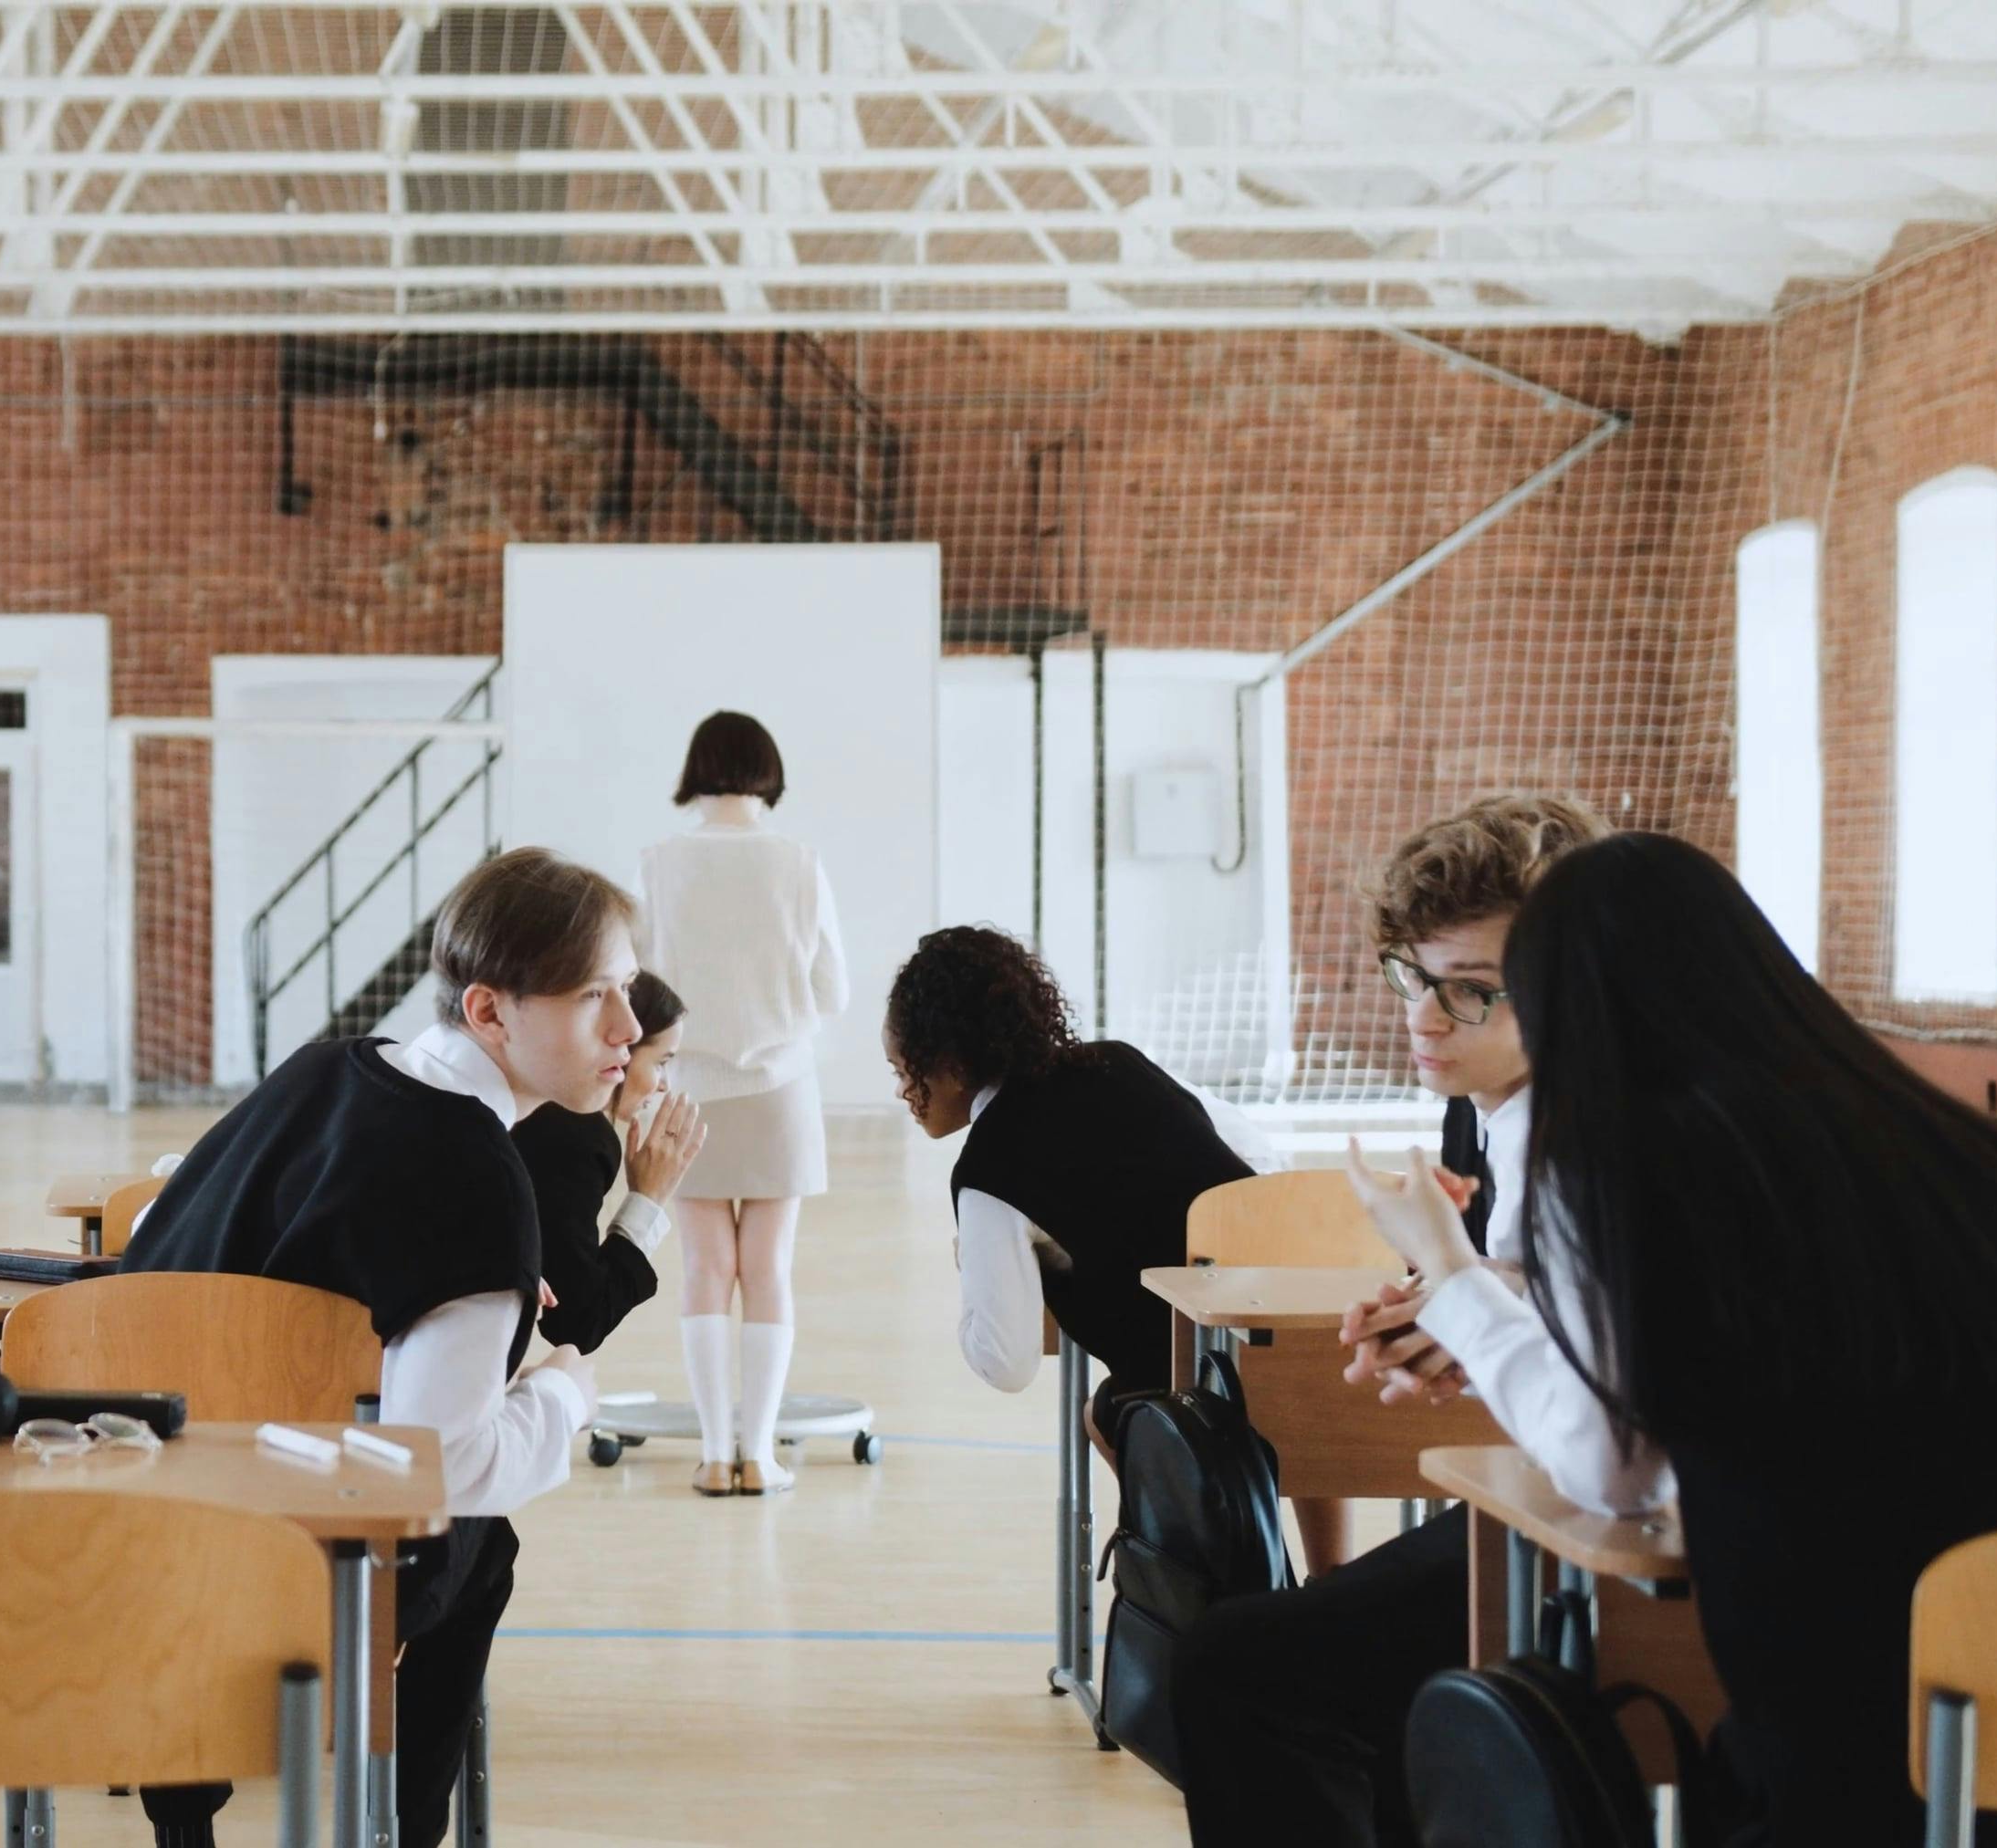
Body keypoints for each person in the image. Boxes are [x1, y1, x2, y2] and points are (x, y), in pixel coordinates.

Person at [1345, 832, 1997, 1847]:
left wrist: (1449, 1274)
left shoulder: (1634, 1175)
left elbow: (1607, 1464)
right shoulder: (1956, 1148)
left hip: (1843, 1739)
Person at [120, 847, 631, 1848]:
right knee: (482, 1544)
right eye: (594, 997)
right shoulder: (481, 1180)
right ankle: (406, 1832)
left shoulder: (327, 1069)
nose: (630, 1029)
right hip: (300, 1563)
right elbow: (440, 1471)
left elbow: (162, 1260)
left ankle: (186, 1811)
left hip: (136, 1528)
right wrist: (568, 1391)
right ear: (490, 1013)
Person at [1171, 792, 1611, 1848]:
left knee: (1238, 1669)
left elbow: (1612, 1442)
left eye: (1470, 992)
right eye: (1416, 978)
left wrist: (1466, 1290)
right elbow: (1576, 1305)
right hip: (1590, 1504)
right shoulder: (1509, 1110)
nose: (1423, 1017)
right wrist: (1469, 1305)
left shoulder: (1582, 1133)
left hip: (1636, 1536)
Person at [883, 925, 1260, 1447]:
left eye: (905, 1072)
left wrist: (975, 1264)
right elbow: (1252, 1152)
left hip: (1198, 1400)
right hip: (1305, 1348)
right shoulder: (1120, 1060)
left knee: (1105, 1415)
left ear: (952, 1066)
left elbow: (1005, 1364)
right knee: (1285, 1395)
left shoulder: (988, 1173)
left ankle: (1193, 1533)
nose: (903, 1092)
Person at [639, 711, 849, 1496]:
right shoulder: (800, 862)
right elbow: (835, 988)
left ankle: (713, 1453)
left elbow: (641, 986)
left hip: (684, 1087)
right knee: (768, 1268)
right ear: (767, 769)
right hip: (779, 1086)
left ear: (697, 768)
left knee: (703, 1267)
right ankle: (758, 1454)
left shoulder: (660, 862)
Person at [515, 970, 706, 1353]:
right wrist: (647, 1201)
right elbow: (577, 1322)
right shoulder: (576, 1135)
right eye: (660, 1062)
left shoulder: (545, 1107)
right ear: (620, 1048)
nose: (664, 1083)